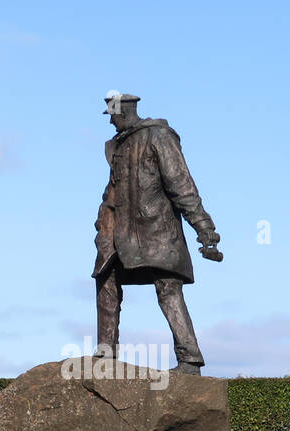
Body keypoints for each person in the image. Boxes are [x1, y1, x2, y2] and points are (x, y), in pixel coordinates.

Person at [93, 93, 222, 375]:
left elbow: (181, 184)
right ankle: (105, 354)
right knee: (105, 280)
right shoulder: (119, 145)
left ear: (123, 113)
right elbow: (113, 189)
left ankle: (189, 359)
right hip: (120, 233)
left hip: (156, 231)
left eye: (112, 116)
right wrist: (102, 220)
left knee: (168, 288)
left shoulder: (158, 136)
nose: (111, 122)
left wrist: (204, 227)